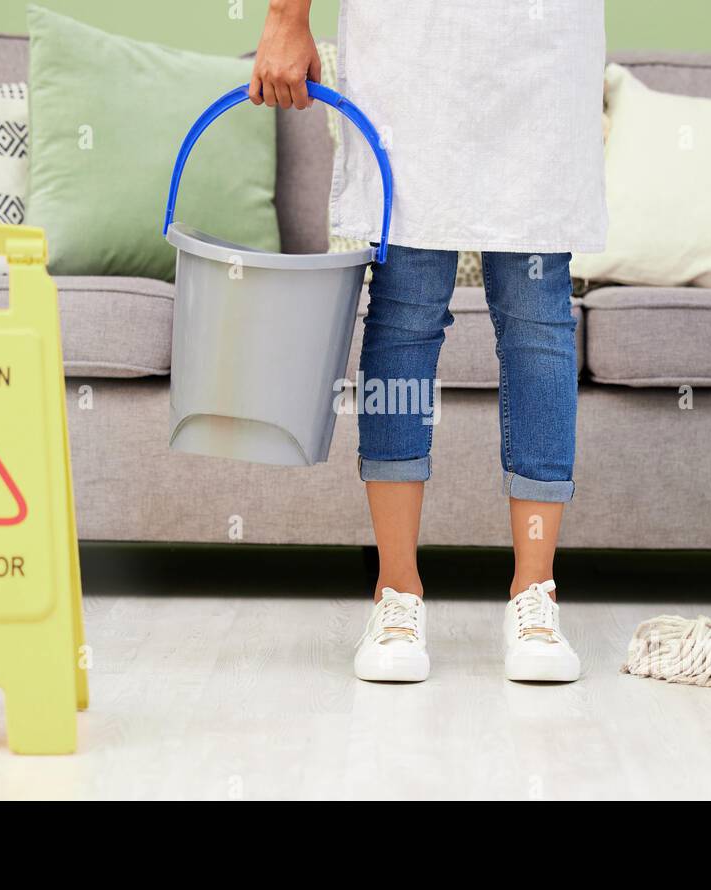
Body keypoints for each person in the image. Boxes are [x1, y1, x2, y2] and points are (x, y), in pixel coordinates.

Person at [251, 0, 607, 683]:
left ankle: (535, 595)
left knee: (537, 315)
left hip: (542, 43)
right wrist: (285, 15)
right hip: (412, 46)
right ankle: (396, 592)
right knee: (405, 307)